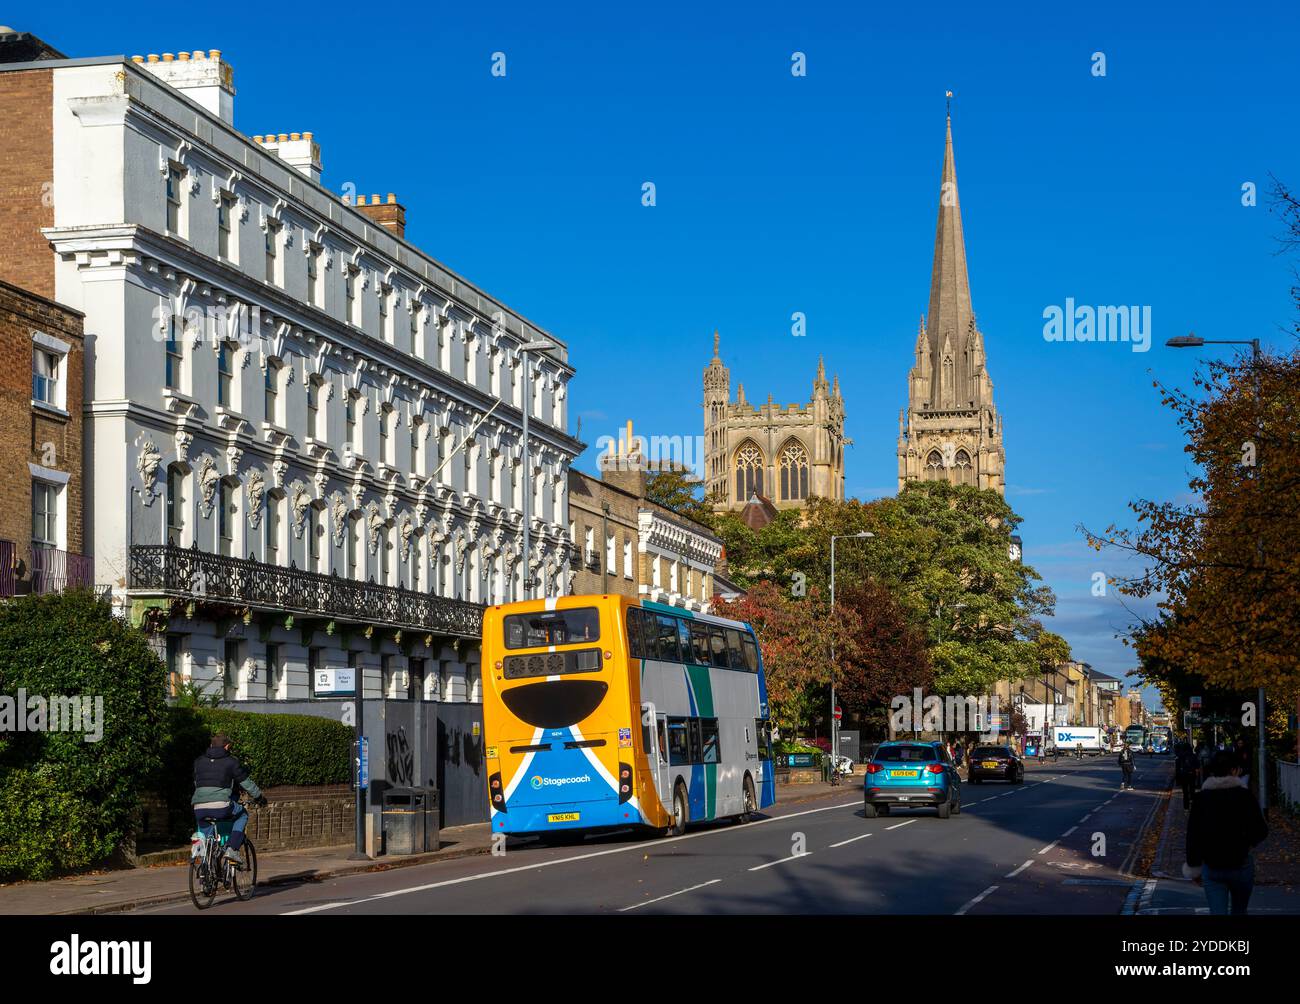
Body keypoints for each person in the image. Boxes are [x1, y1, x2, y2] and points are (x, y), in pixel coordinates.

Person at [1185, 751, 1269, 915]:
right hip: (1241, 864)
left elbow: (1193, 835)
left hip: (1212, 866)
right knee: (1239, 911)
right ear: (1234, 770)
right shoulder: (1245, 796)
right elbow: (1261, 830)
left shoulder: (1202, 798)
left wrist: (1194, 866)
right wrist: (1247, 842)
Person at [192, 733, 265, 866]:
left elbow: (197, 783)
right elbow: (245, 782)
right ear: (227, 746)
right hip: (221, 805)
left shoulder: (198, 761)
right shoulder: (231, 762)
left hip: (198, 806)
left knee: (205, 828)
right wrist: (259, 797)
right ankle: (232, 849)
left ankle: (205, 863)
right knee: (242, 815)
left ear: (210, 745)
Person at [1175, 742, 1200, 810]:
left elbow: (1177, 768)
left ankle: (1186, 807)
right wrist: (1197, 775)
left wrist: (1178, 778)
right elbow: (1197, 766)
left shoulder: (1180, 755)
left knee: (1185, 792)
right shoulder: (1193, 755)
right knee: (1192, 789)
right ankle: (1192, 801)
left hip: (1184, 775)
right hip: (1192, 774)